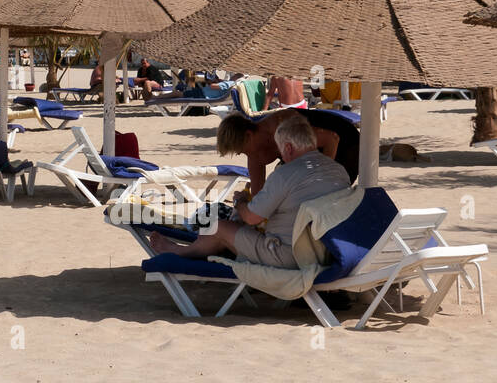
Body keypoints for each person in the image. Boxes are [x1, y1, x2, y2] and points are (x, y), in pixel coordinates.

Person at [150, 114, 351, 267]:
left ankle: (180, 252)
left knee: (219, 226)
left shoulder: (284, 170)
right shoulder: (340, 172)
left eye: (282, 151)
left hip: (288, 255)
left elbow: (253, 217)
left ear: (287, 148)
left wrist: (240, 202)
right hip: (325, 251)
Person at [217, 107, 360, 193]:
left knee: (322, 192)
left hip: (346, 142)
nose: (243, 154)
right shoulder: (254, 152)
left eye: (242, 149)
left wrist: (322, 178)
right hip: (312, 151)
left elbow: (331, 139)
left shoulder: (283, 127)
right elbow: (258, 197)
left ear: (248, 135)